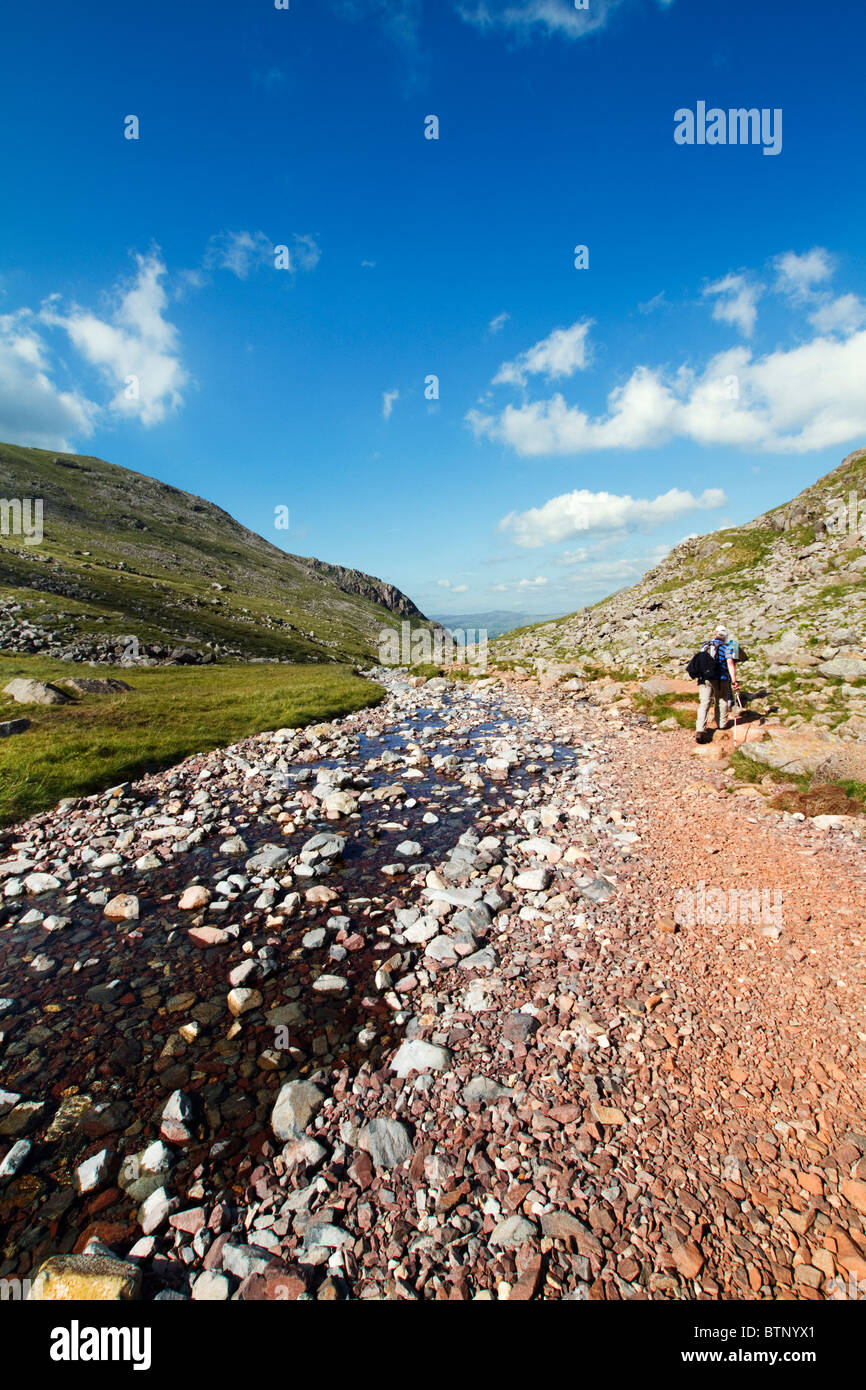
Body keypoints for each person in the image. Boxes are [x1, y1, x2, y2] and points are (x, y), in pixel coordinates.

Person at [689, 623, 739, 743]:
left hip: (705, 679)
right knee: (721, 700)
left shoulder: (705, 645)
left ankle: (700, 729)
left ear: (715, 634)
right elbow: (730, 663)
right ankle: (721, 724)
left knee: (704, 703)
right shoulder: (727, 647)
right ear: (725, 636)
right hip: (721, 678)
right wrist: (734, 681)